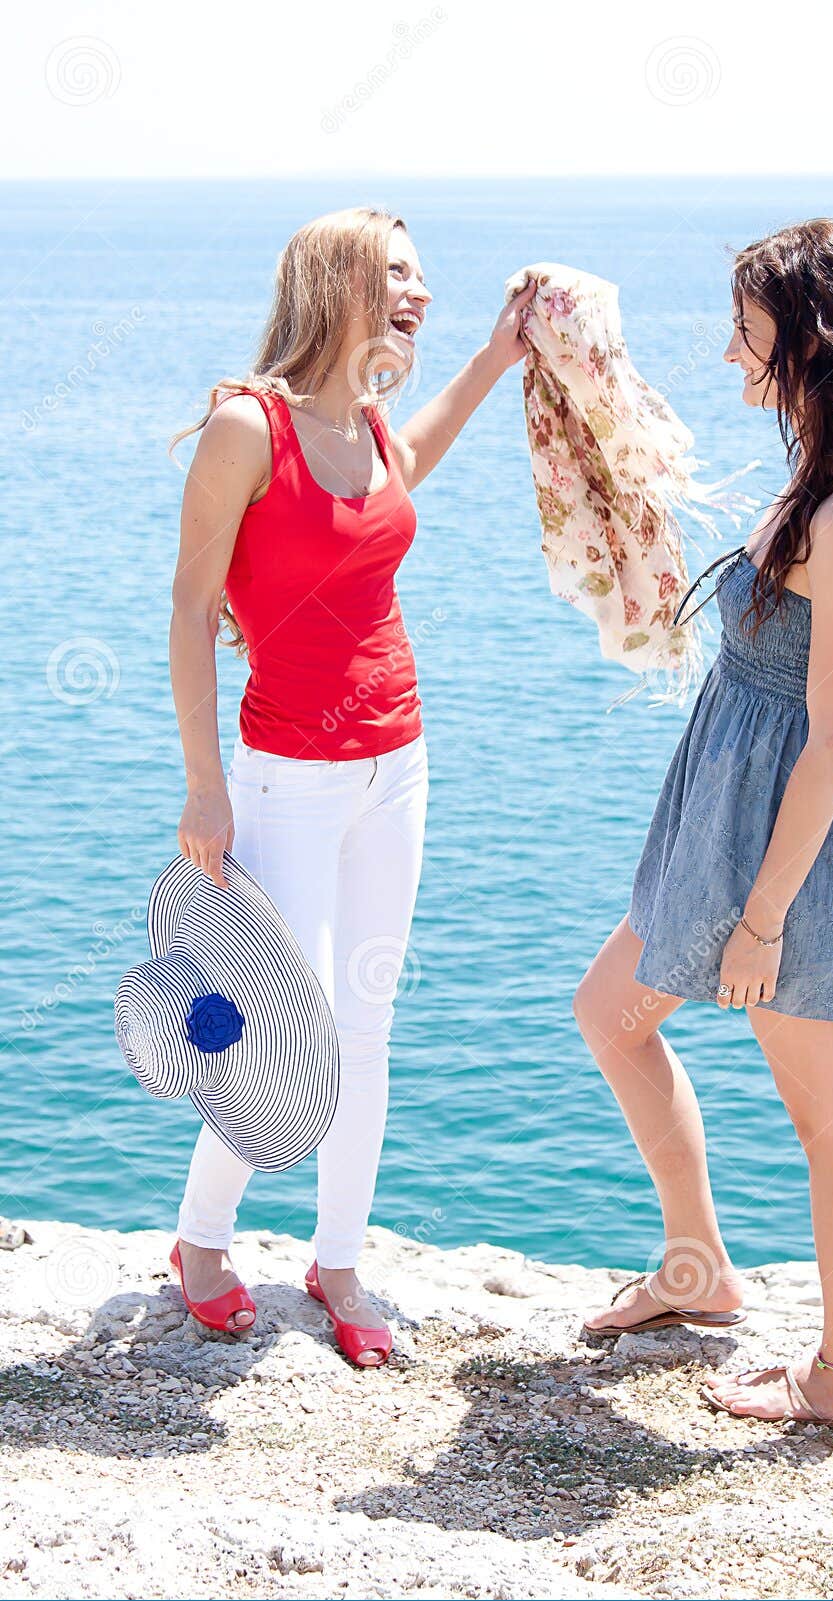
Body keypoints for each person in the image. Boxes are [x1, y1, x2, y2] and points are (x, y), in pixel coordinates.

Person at [576, 219, 833, 1430]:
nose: (731, 353)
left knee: (831, 1122)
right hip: (721, 813)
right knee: (608, 1013)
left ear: (812, 339)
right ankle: (696, 1268)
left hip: (789, 845)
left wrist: (762, 918)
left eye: (746, 332)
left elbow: (831, 738)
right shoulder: (819, 478)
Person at [168, 206, 535, 1364]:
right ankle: (202, 1238)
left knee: (365, 1025)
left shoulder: (366, 421)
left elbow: (406, 461)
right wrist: (205, 787)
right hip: (285, 778)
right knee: (286, 1026)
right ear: (337, 282)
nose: (417, 293)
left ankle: (336, 1263)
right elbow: (190, 607)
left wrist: (495, 357)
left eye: (422, 277)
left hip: (397, 765)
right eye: (397, 274)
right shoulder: (246, 426)